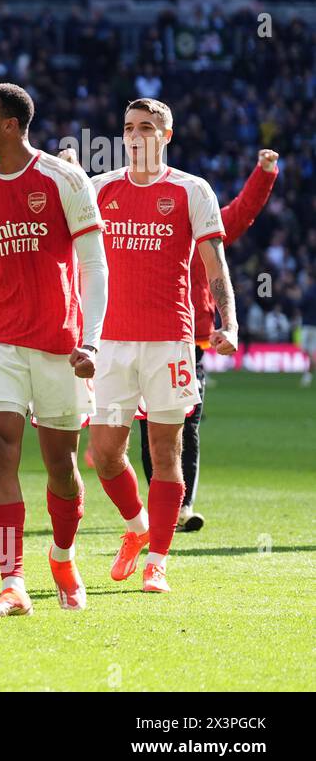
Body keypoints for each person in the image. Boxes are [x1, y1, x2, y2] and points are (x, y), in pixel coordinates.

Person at [0, 82, 108, 617]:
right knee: (0, 450)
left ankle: (62, 555)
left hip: (60, 343)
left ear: (10, 124)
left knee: (61, 465)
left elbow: (95, 266)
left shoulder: (64, 178)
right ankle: (12, 583)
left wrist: (92, 340)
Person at [71, 99, 237, 594]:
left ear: (166, 135)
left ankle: (158, 561)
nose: (136, 134)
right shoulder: (100, 189)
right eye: (128, 127)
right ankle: (138, 527)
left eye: (147, 127)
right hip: (110, 343)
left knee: (166, 453)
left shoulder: (192, 189)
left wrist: (228, 322)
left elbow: (215, 265)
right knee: (104, 453)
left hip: (170, 340)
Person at [135, 148, 280, 530]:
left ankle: (181, 507)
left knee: (188, 423)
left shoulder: (205, 232)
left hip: (192, 341)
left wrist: (264, 172)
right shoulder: (148, 229)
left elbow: (243, 211)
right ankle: (161, 501)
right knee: (148, 423)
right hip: (147, 337)